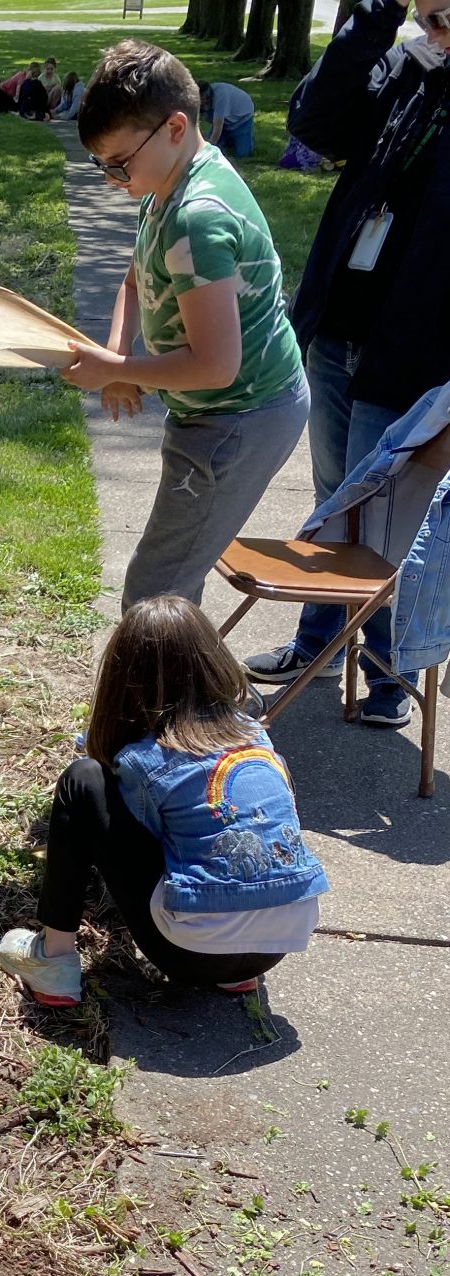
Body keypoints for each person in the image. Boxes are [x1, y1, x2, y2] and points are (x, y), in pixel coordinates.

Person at [243, 0, 450, 730]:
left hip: (417, 350)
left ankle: (388, 676)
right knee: (338, 498)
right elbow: (317, 126)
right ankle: (324, 644)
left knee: (380, 518)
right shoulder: (409, 64)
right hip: (340, 329)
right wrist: (372, 21)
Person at [64, 42, 309, 611]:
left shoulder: (197, 217)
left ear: (175, 126)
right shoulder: (165, 186)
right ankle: (189, 696)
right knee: (169, 580)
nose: (110, 180)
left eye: (118, 164)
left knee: (157, 592)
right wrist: (117, 359)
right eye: (101, 166)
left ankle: (183, 701)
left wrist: (120, 371)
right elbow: (132, 281)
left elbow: (215, 365)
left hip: (240, 415)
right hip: (218, 409)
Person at [0, 596, 328, 1007]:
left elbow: (131, 824)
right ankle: (234, 976)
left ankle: (53, 959)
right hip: (275, 947)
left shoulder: (144, 758)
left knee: (84, 781)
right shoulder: (252, 732)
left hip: (189, 953)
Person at [199, 77, 256, 157]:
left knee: (242, 154)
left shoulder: (220, 97)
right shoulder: (202, 98)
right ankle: (228, 140)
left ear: (206, 95)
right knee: (218, 146)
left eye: (201, 99)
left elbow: (218, 127)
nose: (200, 103)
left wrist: (208, 150)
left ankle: (242, 138)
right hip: (225, 122)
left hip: (241, 119)